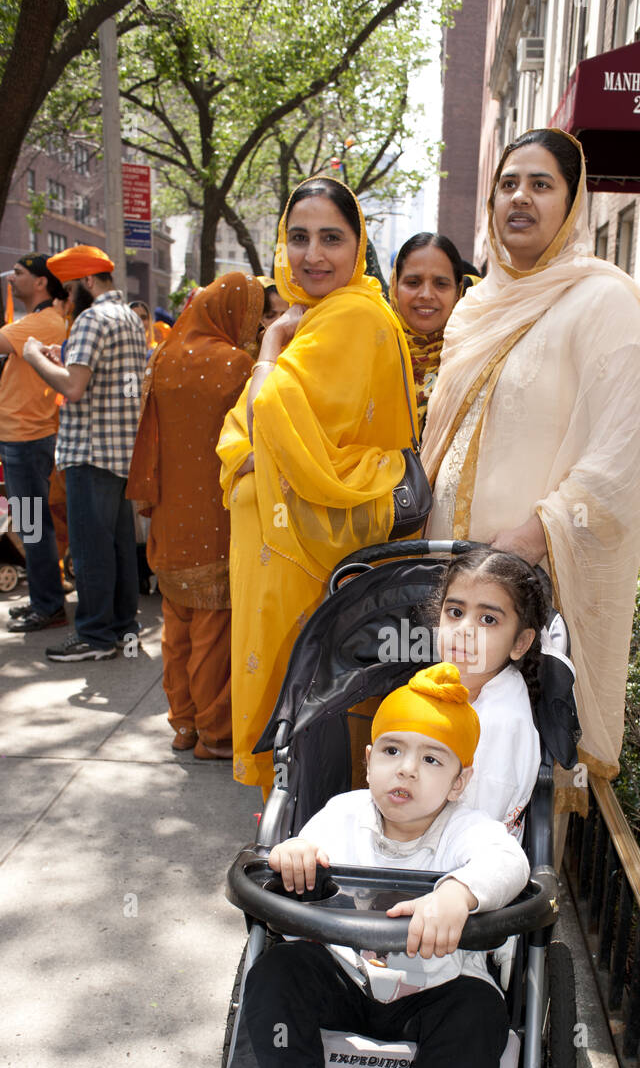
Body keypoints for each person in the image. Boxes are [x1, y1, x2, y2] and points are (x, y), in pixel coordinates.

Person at [184, 663, 528, 1068]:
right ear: (369, 759)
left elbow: (509, 865)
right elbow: (303, 853)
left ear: (458, 781)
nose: (406, 770)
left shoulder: (470, 832)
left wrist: (459, 893)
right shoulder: (342, 815)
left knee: (481, 1009)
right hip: (343, 977)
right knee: (278, 971)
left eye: (431, 759)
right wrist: (293, 855)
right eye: (393, 751)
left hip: (435, 989)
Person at [422, 129, 640, 802]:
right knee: (438, 749)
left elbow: (618, 453)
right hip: (450, 577)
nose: (519, 199)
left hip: (533, 581)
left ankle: (505, 893)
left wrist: (530, 539)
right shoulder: (476, 304)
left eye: (540, 184)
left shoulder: (602, 300)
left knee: (516, 767)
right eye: (507, 184)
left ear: (571, 202)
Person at [216, 177, 417, 794]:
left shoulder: (351, 315)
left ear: (358, 246)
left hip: (307, 548)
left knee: (307, 698)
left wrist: (272, 344)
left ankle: (309, 837)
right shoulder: (326, 313)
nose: (312, 254)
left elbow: (261, 415)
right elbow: (250, 434)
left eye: (332, 238)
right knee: (302, 696)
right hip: (288, 543)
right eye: (298, 238)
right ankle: (300, 827)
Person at [126, 272, 265, 757]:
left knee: (177, 626)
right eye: (253, 311)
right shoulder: (240, 364)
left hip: (169, 514)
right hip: (217, 515)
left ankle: (183, 725)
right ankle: (215, 734)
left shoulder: (163, 356)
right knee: (213, 631)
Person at [22, 245, 147, 661]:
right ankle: (121, 627)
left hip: (88, 450)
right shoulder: (130, 316)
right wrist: (64, 360)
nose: (65, 298)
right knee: (117, 547)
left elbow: (72, 388)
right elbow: (109, 381)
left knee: (91, 548)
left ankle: (94, 636)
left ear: (88, 282)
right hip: (118, 450)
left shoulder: (93, 318)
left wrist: (35, 357)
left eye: (70, 288)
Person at [432, 545, 545, 839]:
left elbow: (470, 830)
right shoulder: (448, 685)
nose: (464, 629)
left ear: (520, 643)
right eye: (455, 612)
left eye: (488, 620)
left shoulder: (500, 724)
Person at [0, 254, 69, 632]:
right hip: (21, 439)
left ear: (42, 282)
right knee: (30, 524)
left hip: (25, 440)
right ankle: (43, 598)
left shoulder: (41, 322)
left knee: (32, 526)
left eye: (21, 272)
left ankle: (48, 605)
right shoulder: (37, 321)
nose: (12, 277)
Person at [390, 233, 462, 435]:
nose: (426, 294)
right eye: (413, 282)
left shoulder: (473, 358)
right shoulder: (370, 350)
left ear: (458, 292)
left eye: (441, 284)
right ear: (395, 287)